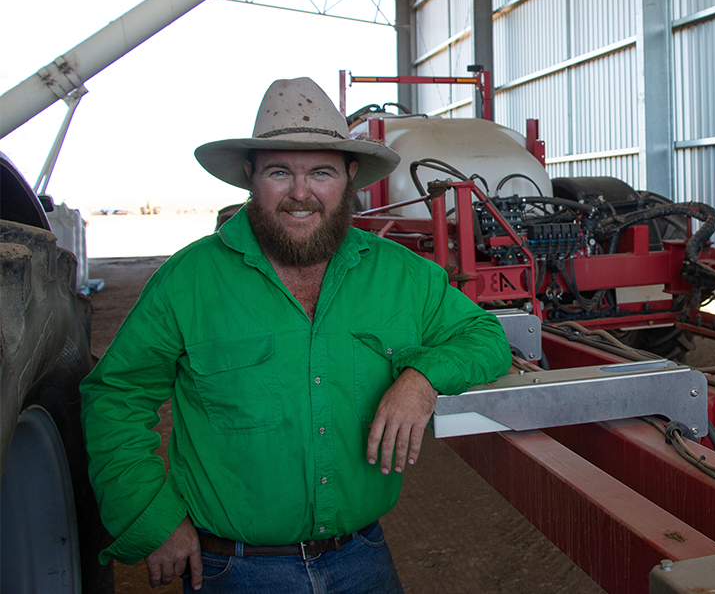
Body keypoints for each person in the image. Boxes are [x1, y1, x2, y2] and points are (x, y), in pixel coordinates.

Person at [79, 77, 511, 592]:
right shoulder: (189, 282)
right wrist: (152, 518)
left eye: (321, 172)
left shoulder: (401, 275)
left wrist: (421, 379)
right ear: (250, 176)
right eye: (280, 172)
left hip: (362, 557)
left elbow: (485, 336)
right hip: (237, 569)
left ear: (350, 177)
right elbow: (115, 399)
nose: (301, 193)